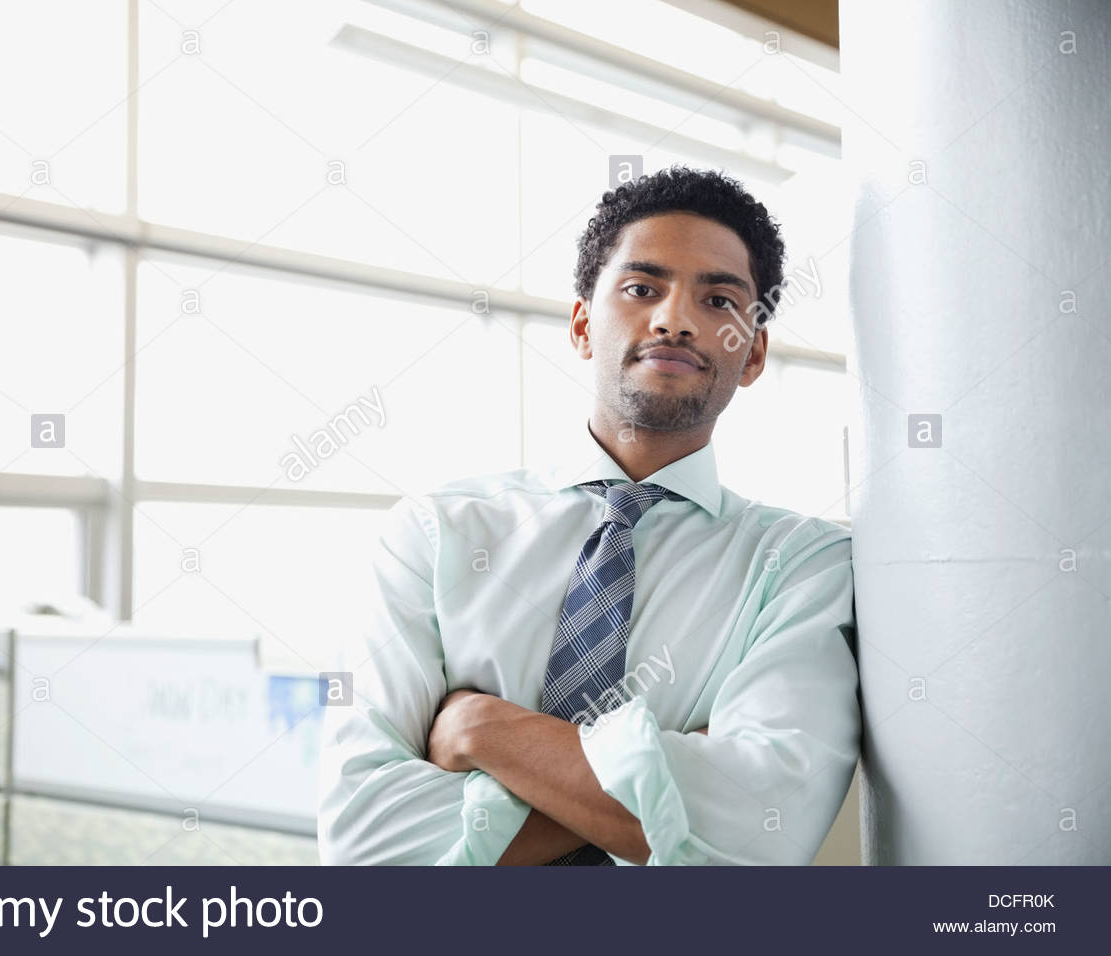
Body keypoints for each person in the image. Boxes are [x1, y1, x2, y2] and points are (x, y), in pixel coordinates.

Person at [317, 165, 860, 865]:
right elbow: (365, 846)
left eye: (719, 300)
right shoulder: (434, 535)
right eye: (642, 289)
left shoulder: (801, 566)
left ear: (752, 353)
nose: (674, 320)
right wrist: (666, 782)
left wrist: (487, 731)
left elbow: (764, 829)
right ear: (582, 325)